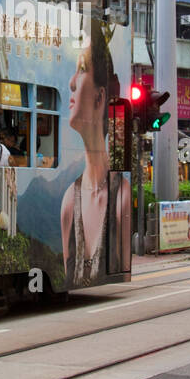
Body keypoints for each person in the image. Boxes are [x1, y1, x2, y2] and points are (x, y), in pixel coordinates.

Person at [60, 21, 131, 287]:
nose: (70, 82)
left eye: (80, 70)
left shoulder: (120, 196)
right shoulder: (69, 201)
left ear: (100, 98)